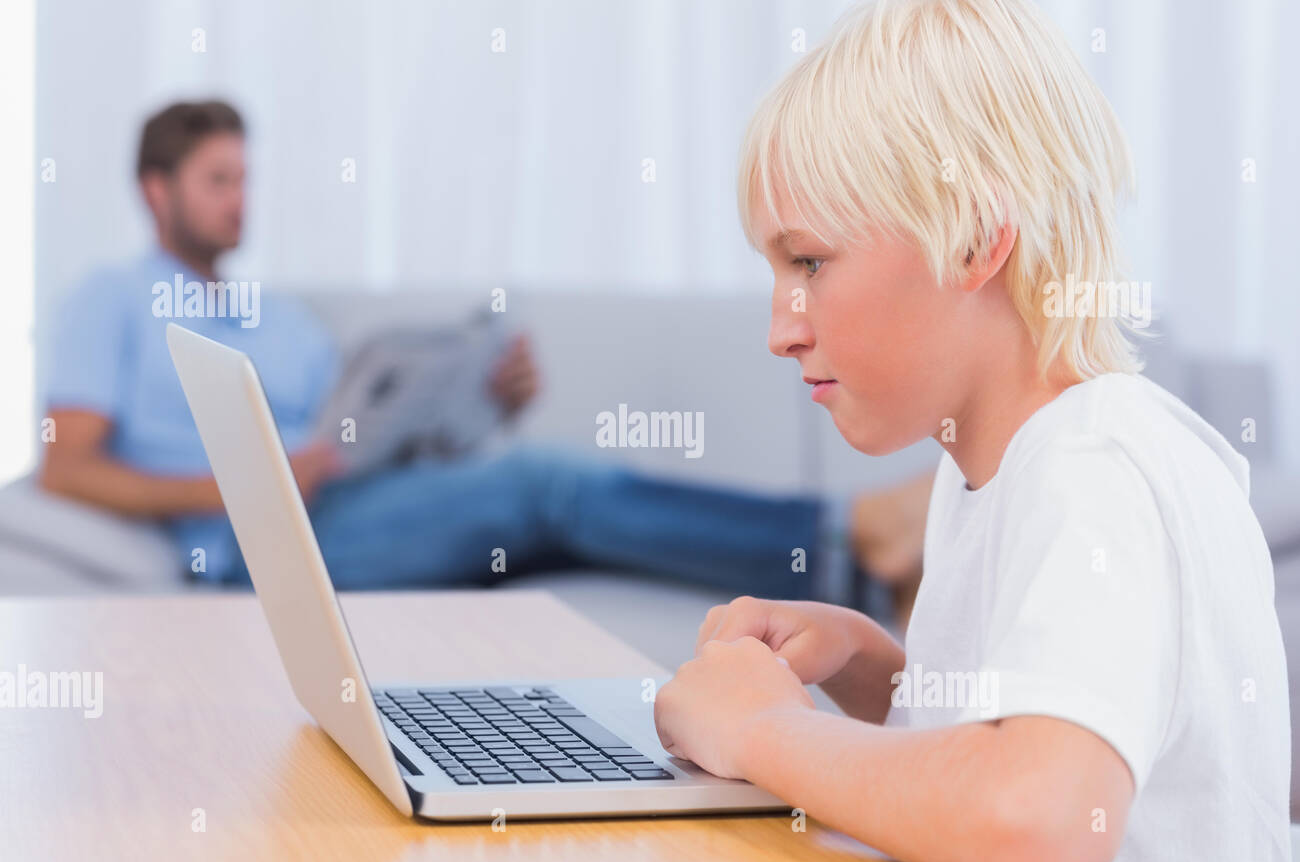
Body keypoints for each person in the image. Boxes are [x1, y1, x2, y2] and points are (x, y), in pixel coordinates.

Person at [652, 0, 1291, 862]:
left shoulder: (1096, 470)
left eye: (808, 263)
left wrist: (761, 731)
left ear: (975, 241)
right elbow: (1002, 743)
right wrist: (862, 660)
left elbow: (1033, 821)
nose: (782, 329)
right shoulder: (991, 467)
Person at [39, 100, 932, 620]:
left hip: (349, 500)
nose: (241, 201)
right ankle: (846, 540)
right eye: (217, 181)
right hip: (253, 544)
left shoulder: (280, 319)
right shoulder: (110, 298)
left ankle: (841, 561)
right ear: (156, 191)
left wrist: (478, 401)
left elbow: (368, 440)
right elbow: (66, 468)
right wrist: (244, 483)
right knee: (546, 485)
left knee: (527, 477)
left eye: (246, 178)